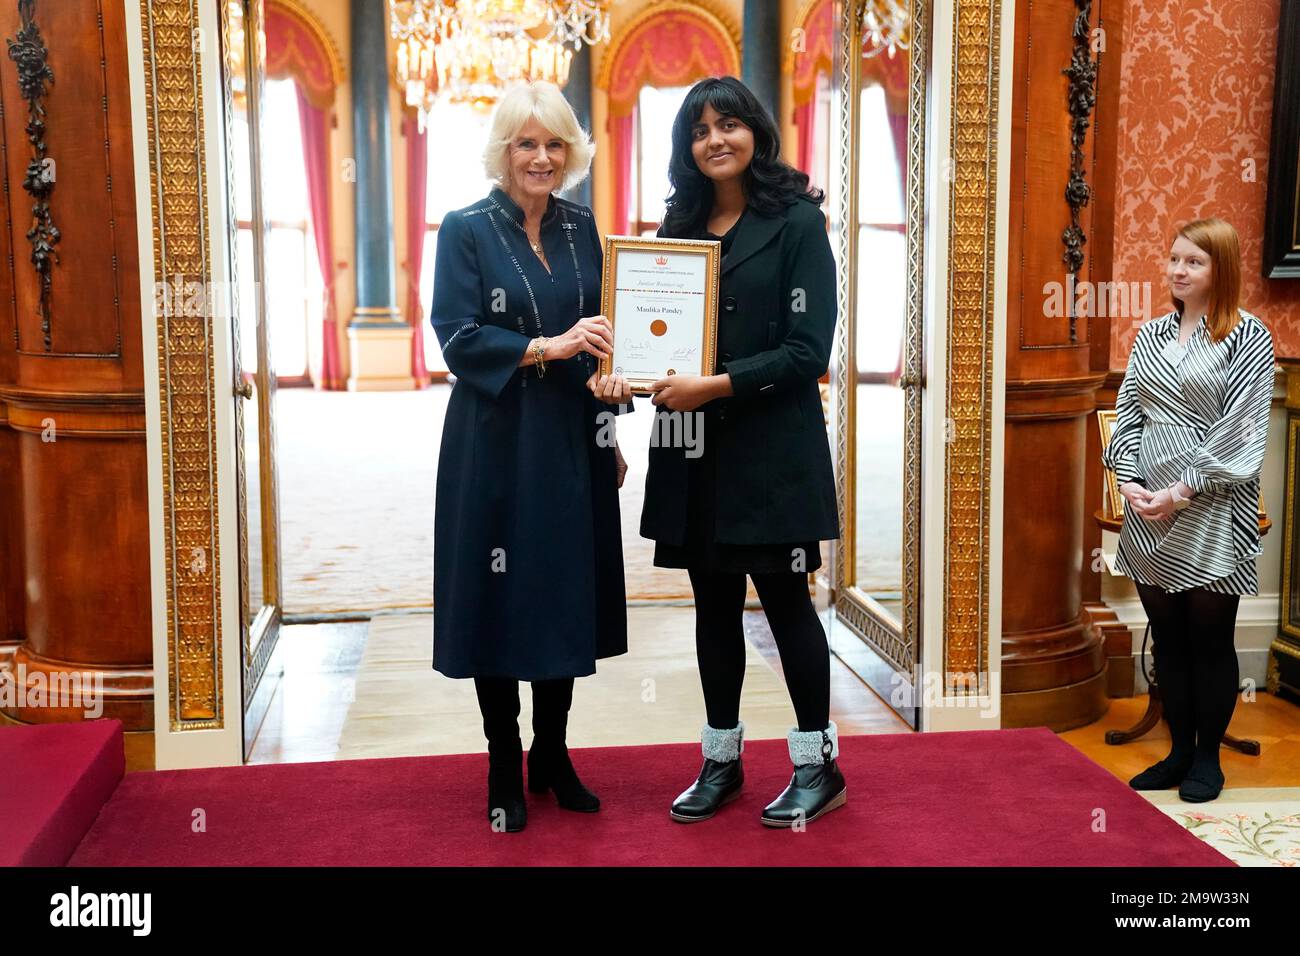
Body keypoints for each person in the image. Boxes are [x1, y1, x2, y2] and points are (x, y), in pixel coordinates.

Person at [594, 75, 842, 826]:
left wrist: (716, 386)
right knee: (711, 608)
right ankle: (722, 760)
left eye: (728, 124)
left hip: (774, 452)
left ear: (756, 133)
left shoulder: (798, 221)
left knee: (785, 602)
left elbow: (809, 350)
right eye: (700, 131)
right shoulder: (674, 233)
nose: (715, 140)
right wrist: (621, 379)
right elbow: (653, 347)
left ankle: (816, 764)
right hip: (690, 450)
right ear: (687, 148)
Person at [430, 81, 629, 832]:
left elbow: (609, 339)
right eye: (526, 143)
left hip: (575, 436)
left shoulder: (584, 227)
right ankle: (502, 757)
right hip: (496, 439)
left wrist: (611, 422)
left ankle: (553, 751)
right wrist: (549, 346)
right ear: (503, 151)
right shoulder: (465, 228)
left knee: (561, 588)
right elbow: (456, 337)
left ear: (571, 152)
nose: (541, 158)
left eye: (554, 144)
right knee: (497, 593)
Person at [1102, 216, 1275, 803]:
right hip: (1148, 509)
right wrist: (1128, 479)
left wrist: (1182, 490)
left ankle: (1208, 758)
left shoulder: (1248, 336)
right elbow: (1130, 413)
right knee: (1168, 636)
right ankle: (1177, 753)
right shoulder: (1149, 335)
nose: (1178, 270)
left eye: (1193, 261)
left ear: (1219, 268)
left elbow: (1244, 429)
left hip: (1211, 507)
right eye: (1174, 258)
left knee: (1209, 637)